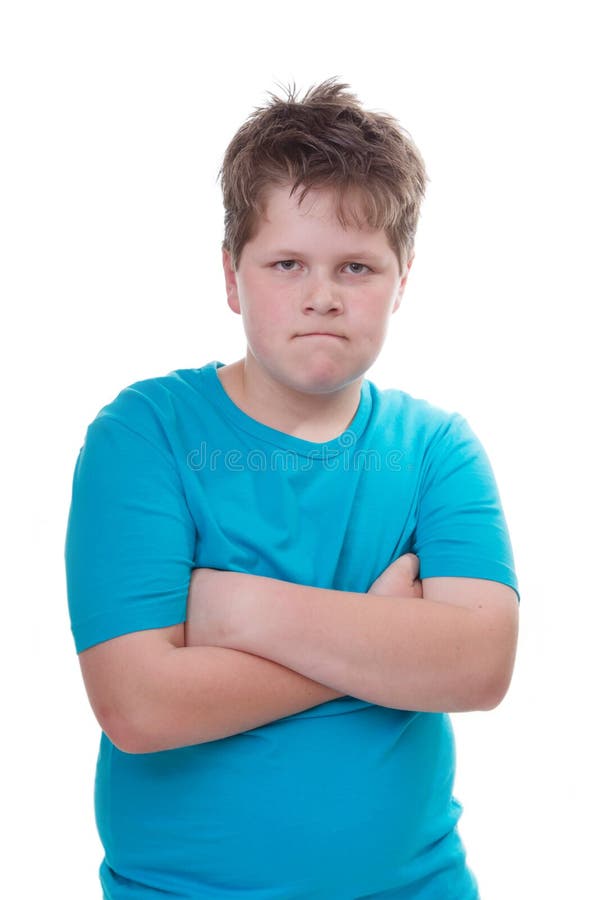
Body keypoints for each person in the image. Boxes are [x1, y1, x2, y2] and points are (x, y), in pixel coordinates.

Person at [64, 78, 520, 899]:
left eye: (357, 266)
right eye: (287, 263)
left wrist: (240, 614)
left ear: (402, 280)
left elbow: (481, 665)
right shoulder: (145, 434)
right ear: (233, 279)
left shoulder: (435, 448)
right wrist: (388, 642)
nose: (323, 294)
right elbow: (139, 707)